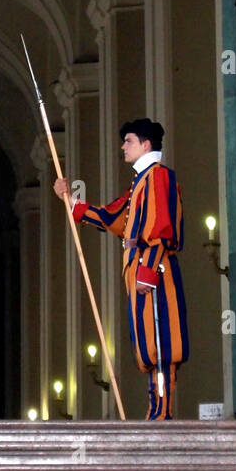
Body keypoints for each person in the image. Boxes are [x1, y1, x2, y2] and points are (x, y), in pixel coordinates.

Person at [54, 118, 188, 420]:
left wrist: (148, 272)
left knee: (161, 345)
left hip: (153, 273)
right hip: (140, 270)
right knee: (146, 345)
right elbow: (113, 217)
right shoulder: (140, 183)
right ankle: (155, 408)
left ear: (146, 144)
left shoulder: (159, 177)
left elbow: (161, 229)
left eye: (128, 141)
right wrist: (69, 199)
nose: (123, 147)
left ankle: (162, 411)